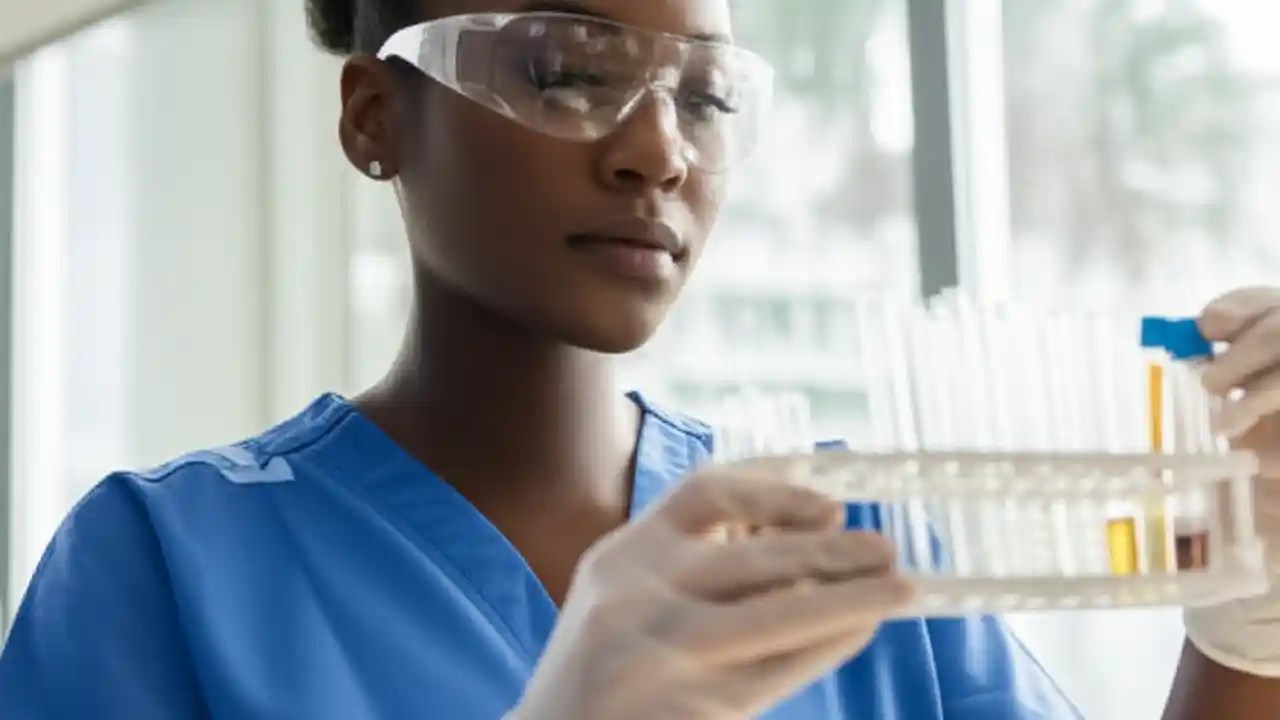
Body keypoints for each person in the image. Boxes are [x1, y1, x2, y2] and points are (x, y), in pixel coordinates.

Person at [1, 0, 1279, 717]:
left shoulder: (864, 548)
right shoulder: (165, 567)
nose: (658, 151)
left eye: (707, 99)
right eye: (566, 76)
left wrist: (1243, 639)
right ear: (376, 116)